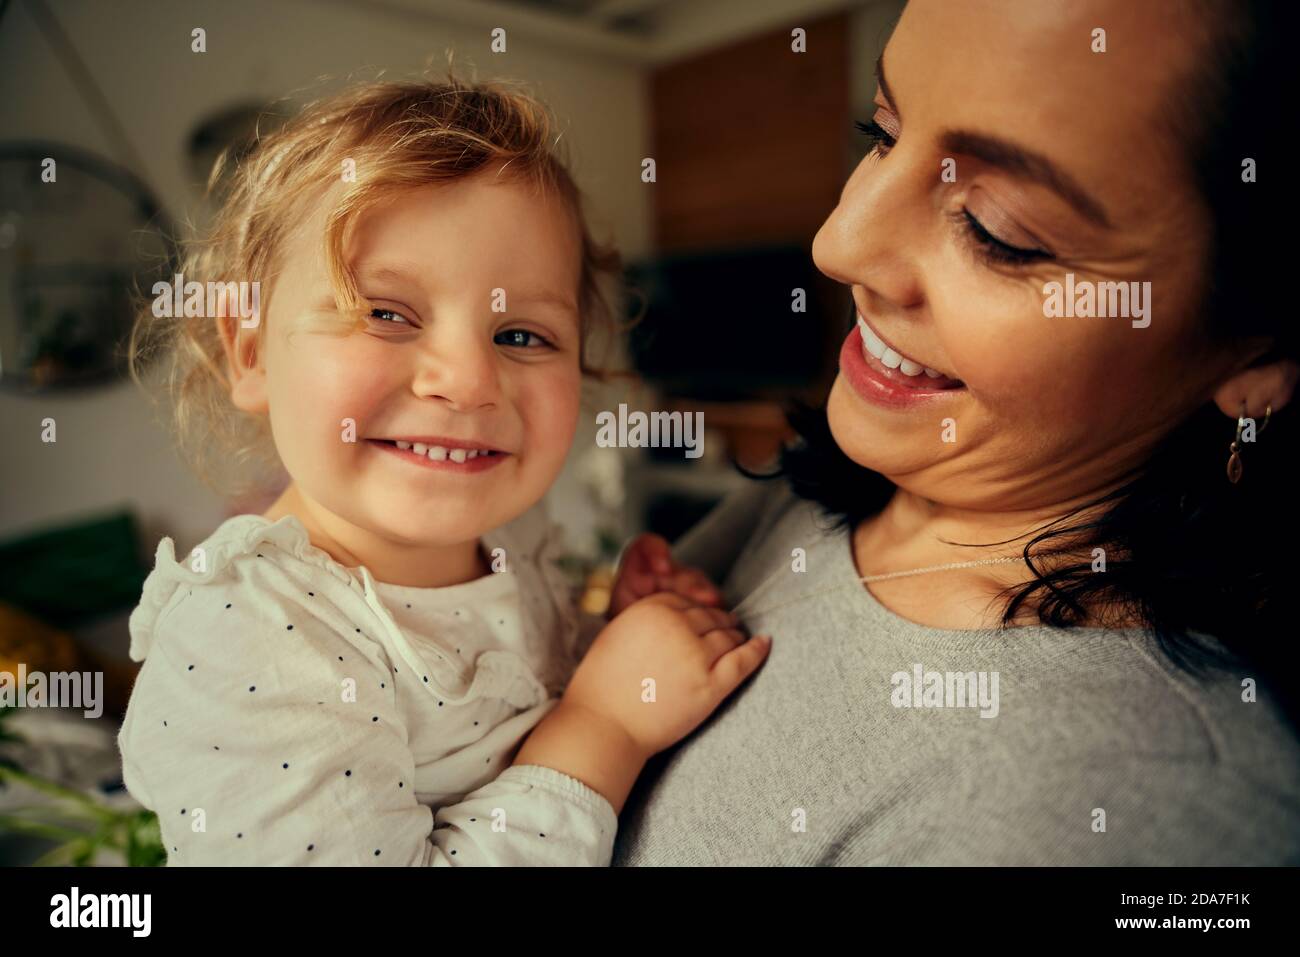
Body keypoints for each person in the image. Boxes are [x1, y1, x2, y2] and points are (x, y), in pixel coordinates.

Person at [614, 0, 1300, 865]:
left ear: (1258, 352)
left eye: (997, 231)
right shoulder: (844, 488)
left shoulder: (1141, 807)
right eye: (882, 131)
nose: (838, 245)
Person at [118, 75, 768, 866]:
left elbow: (506, 715)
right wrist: (607, 721)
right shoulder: (244, 644)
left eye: (523, 335)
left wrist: (609, 636)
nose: (468, 380)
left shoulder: (506, 532)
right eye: (387, 314)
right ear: (249, 349)